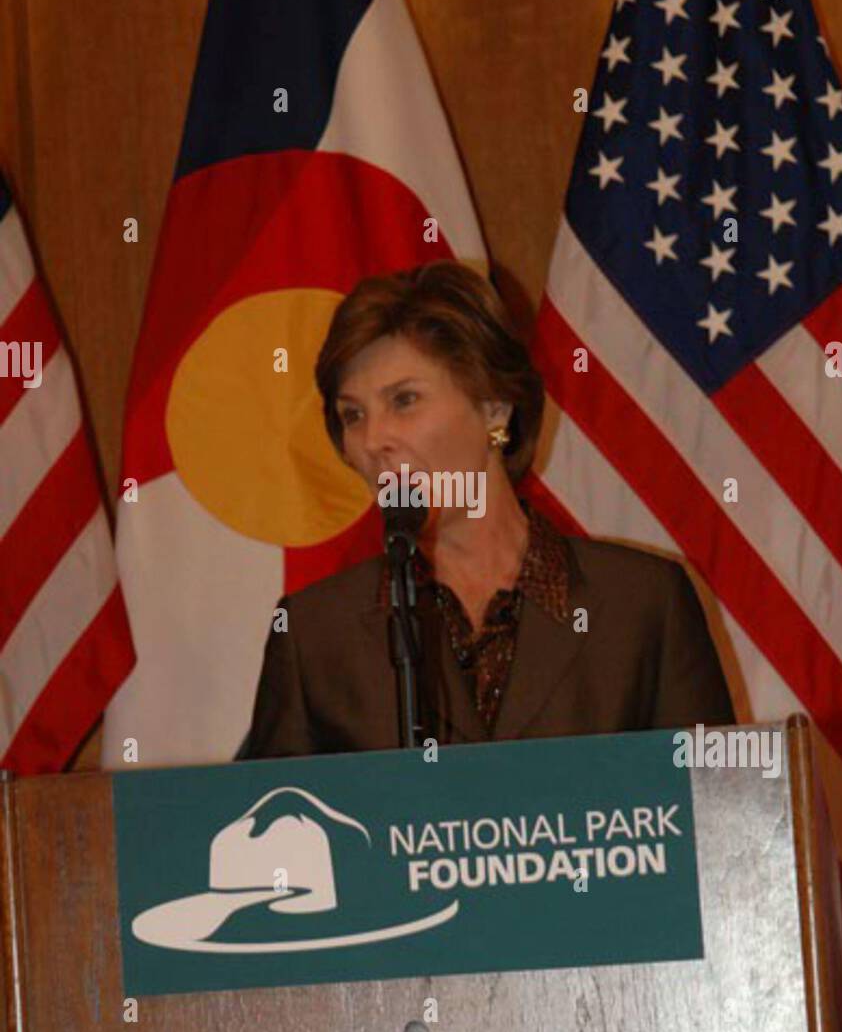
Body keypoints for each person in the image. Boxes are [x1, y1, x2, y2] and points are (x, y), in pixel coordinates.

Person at [239, 260, 733, 760]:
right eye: (353, 415)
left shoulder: (644, 606)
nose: (373, 440)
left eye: (404, 400)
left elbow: (718, 817)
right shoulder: (314, 634)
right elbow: (267, 825)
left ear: (496, 408)